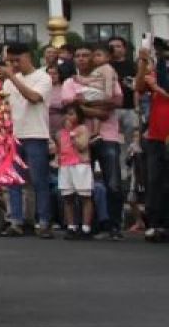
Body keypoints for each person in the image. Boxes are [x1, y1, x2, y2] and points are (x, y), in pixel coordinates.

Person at [62, 44, 124, 239]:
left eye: (86, 55)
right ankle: (89, 225)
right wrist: (98, 110)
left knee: (112, 183)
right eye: (78, 56)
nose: (81, 59)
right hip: (80, 140)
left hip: (107, 136)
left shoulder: (105, 74)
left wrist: (84, 105)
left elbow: (117, 101)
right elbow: (70, 106)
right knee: (83, 185)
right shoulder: (71, 82)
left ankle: (114, 226)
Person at [0, 42, 53, 239]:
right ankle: (16, 221)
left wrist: (12, 77)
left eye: (17, 60)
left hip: (36, 134)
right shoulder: (8, 81)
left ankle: (44, 221)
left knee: (39, 181)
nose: (14, 64)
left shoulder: (43, 77)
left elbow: (33, 97)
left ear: (28, 57)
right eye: (10, 61)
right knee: (14, 181)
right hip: (15, 135)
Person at [136, 38, 169, 242]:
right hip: (156, 135)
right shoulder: (158, 73)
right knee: (155, 181)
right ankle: (156, 223)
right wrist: (142, 62)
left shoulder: (159, 79)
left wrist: (156, 87)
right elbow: (139, 87)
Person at [57, 103, 94, 239]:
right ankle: (71, 226)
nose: (69, 117)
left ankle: (85, 227)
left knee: (85, 196)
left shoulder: (82, 129)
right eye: (67, 114)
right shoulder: (61, 133)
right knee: (68, 197)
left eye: (72, 114)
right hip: (66, 165)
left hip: (80, 165)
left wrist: (73, 135)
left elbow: (82, 146)